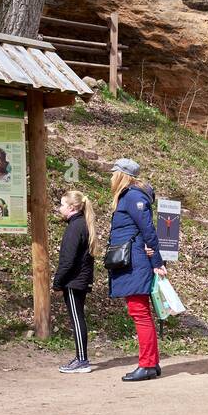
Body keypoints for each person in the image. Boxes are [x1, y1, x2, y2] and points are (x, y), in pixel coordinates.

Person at [107, 159, 167, 381]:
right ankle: (152, 363)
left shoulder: (132, 196)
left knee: (140, 313)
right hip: (134, 260)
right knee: (139, 312)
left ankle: (148, 364)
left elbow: (149, 230)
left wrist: (157, 262)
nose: (111, 177)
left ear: (122, 175)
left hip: (136, 262)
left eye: (114, 173)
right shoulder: (129, 196)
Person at [53, 190, 97, 374]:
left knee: (77, 319)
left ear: (71, 207)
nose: (59, 208)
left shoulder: (75, 227)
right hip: (79, 278)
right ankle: (81, 357)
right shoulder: (81, 224)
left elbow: (67, 260)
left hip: (73, 280)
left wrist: (57, 282)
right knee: (78, 318)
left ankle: (82, 359)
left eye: (62, 204)